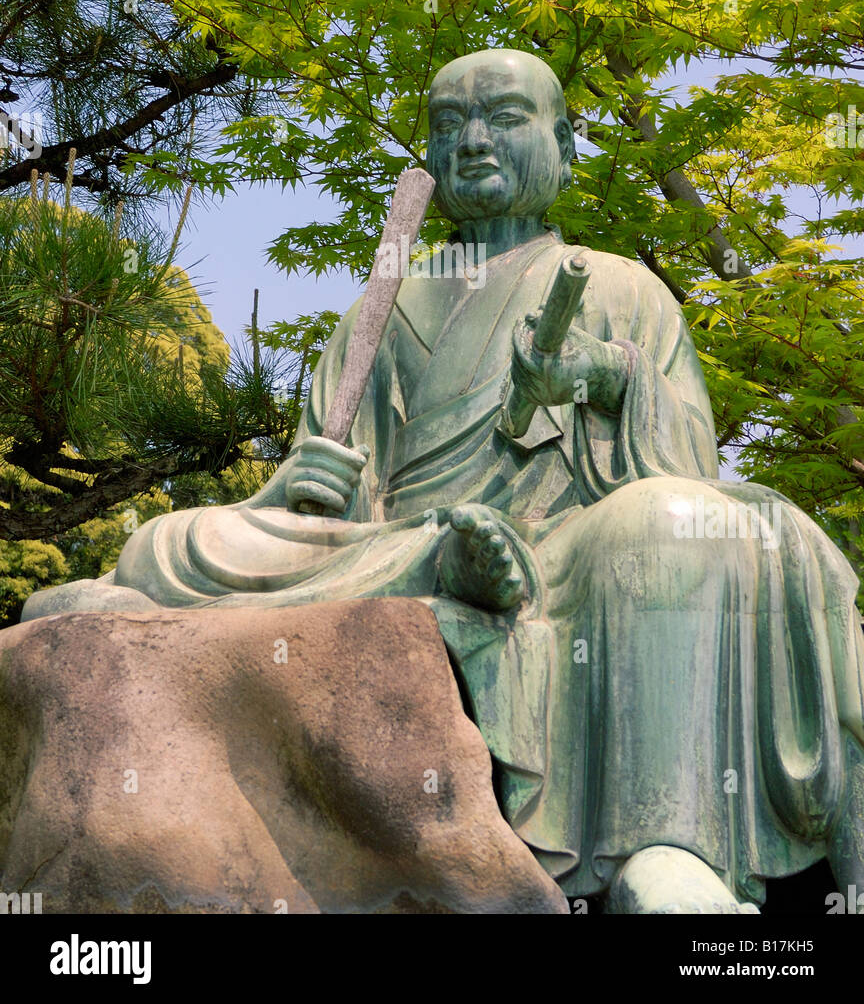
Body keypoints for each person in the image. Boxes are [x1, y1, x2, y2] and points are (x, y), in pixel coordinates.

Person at [25, 48, 864, 913]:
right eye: (448, 123)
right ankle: (442, 559)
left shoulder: (626, 291)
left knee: (677, 522)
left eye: (504, 118)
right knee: (173, 538)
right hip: (389, 549)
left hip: (568, 553)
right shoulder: (380, 308)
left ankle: (664, 844)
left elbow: (687, 466)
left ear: (566, 149)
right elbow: (333, 506)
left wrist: (604, 378)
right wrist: (289, 491)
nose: (471, 141)